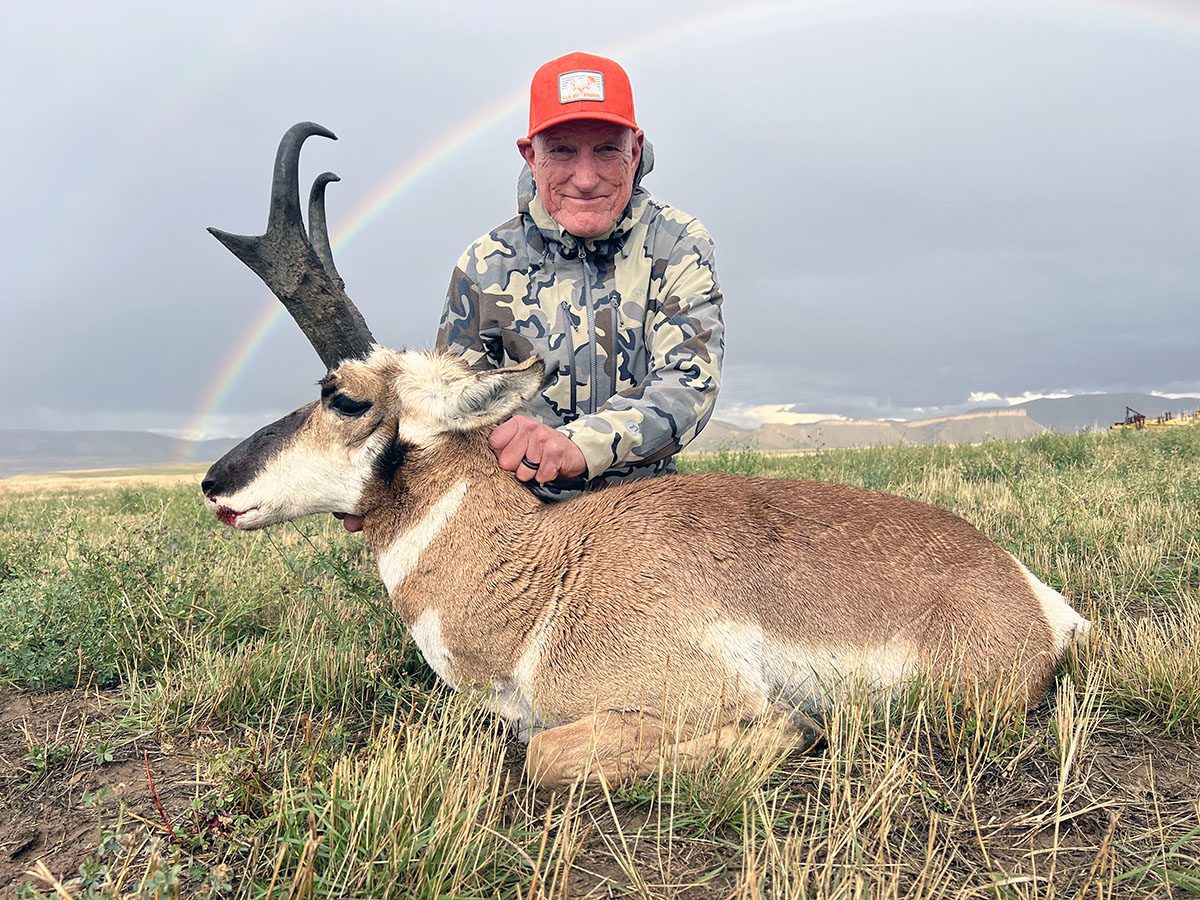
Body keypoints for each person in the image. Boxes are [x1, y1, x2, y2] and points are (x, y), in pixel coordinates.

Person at [437, 51, 724, 501]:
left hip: (645, 516)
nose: (586, 179)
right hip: (518, 520)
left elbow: (688, 383)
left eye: (607, 149)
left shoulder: (676, 244)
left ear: (635, 149)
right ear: (531, 156)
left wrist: (575, 446)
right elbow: (451, 410)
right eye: (563, 150)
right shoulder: (484, 264)